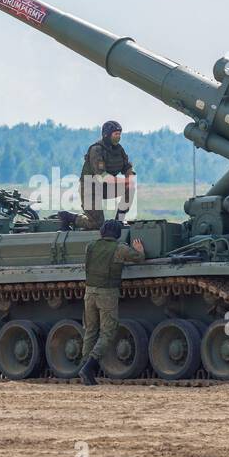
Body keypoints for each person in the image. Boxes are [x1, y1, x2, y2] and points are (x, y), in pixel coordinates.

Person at [77, 219, 144, 385]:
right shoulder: (119, 248)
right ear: (118, 234)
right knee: (107, 332)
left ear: (101, 231)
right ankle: (88, 367)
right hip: (107, 294)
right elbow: (138, 258)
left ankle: (85, 369)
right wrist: (140, 250)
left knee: (91, 331)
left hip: (89, 292)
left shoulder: (90, 246)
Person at [60, 120, 135, 230]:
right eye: (116, 134)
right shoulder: (97, 150)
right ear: (107, 135)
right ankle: (70, 217)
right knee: (96, 224)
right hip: (90, 188)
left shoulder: (119, 149)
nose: (118, 137)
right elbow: (102, 176)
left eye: (119, 134)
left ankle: (119, 220)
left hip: (105, 187)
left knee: (130, 187)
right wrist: (124, 181)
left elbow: (127, 167)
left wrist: (130, 178)